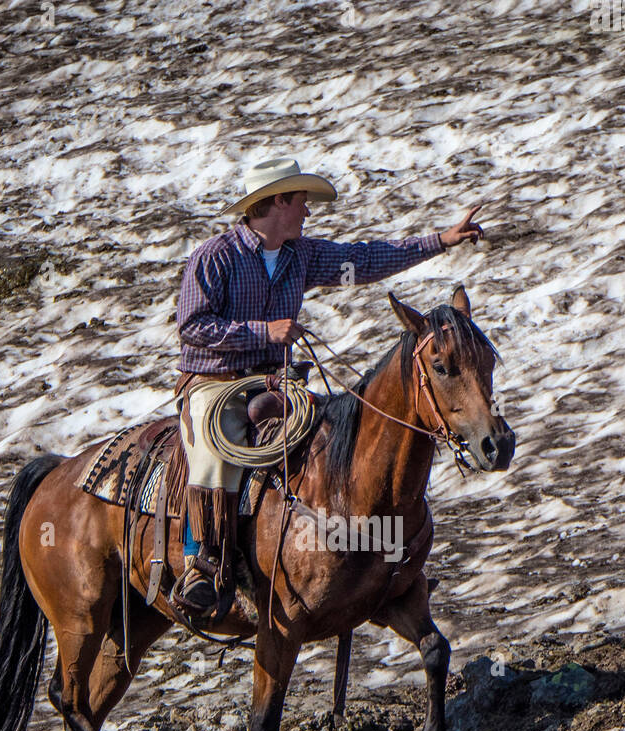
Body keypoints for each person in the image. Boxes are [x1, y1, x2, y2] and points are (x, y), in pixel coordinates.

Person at [171, 156, 484, 623]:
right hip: (215, 382)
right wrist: (263, 333)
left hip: (276, 382)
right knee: (217, 449)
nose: (307, 212)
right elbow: (193, 326)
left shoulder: (302, 255)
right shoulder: (215, 257)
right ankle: (202, 562)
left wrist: (440, 241)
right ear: (277, 201)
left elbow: (365, 260)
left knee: (334, 441)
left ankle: (358, 561)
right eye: (301, 201)